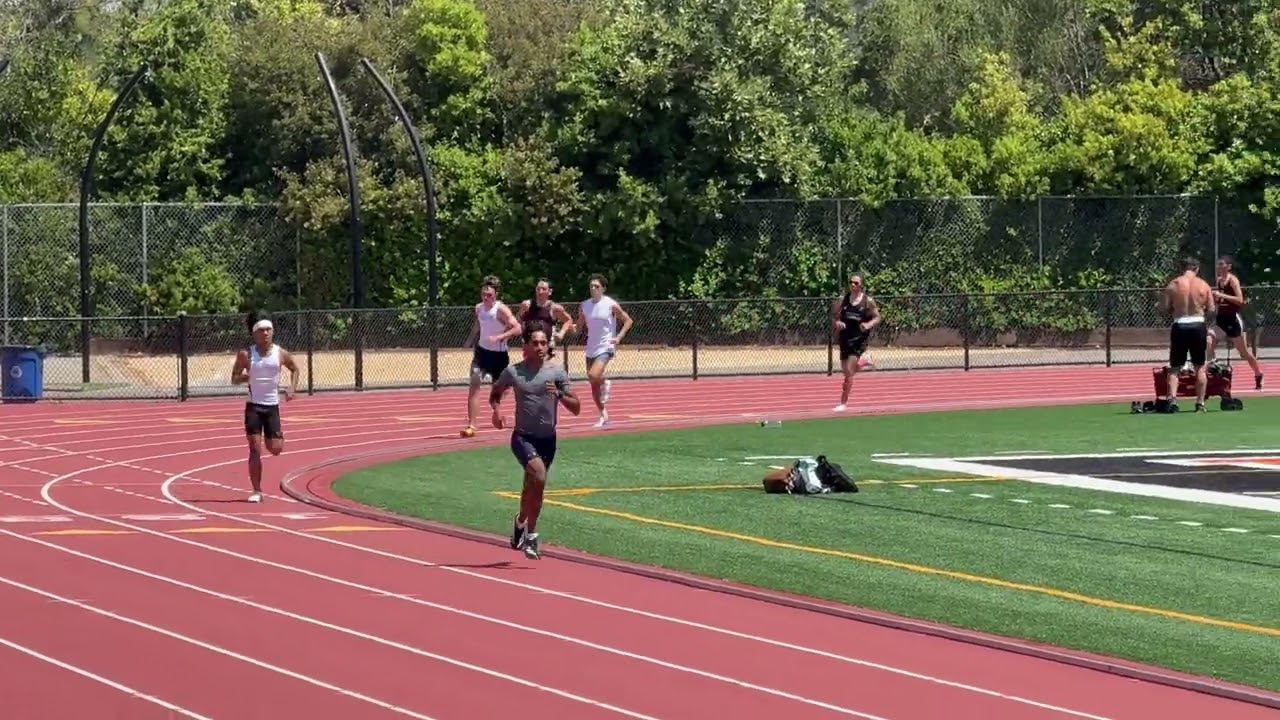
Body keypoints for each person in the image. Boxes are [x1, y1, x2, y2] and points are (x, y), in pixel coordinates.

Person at [489, 320, 581, 560]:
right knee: (538, 475)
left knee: (533, 487)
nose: (540, 347)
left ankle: (520, 522)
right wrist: (496, 413)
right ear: (526, 346)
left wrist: (559, 394)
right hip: (522, 437)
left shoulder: (556, 372)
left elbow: (577, 407)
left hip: (548, 439)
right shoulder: (514, 372)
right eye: (535, 343)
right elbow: (495, 393)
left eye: (543, 343)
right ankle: (531, 537)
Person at [230, 312, 300, 503]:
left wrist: (292, 388)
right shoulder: (246, 355)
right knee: (254, 449)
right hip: (253, 406)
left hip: (272, 406)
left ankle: (276, 437)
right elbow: (234, 378)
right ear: (254, 333)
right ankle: (256, 490)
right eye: (261, 330)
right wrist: (246, 377)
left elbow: (295, 369)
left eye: (269, 329)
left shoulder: (280, 353)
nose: (266, 333)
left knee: (275, 448)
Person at [461, 275, 522, 438]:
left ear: (496, 295)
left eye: (489, 295)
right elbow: (477, 325)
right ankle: (472, 425)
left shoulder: (501, 310)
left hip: (499, 357)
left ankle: (497, 411)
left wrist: (500, 337)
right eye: (483, 294)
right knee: (474, 383)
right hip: (482, 353)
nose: (486, 297)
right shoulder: (479, 308)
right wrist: (469, 340)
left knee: (495, 396)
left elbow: (517, 328)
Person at [576, 273, 633, 428]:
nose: (593, 288)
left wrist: (618, 337)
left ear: (603, 288)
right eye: (591, 286)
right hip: (591, 347)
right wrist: (564, 330)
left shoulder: (610, 304)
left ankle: (604, 381)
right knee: (593, 384)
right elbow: (578, 327)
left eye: (597, 286)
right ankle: (603, 415)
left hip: (606, 345)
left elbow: (628, 320)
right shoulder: (584, 305)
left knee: (593, 375)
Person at [1161, 258, 1215, 412]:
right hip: (1198, 324)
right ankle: (1200, 403)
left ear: (1182, 268)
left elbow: (1165, 308)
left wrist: (1176, 310)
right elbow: (1211, 308)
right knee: (1200, 367)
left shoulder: (1173, 284)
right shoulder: (1203, 285)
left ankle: (1172, 400)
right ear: (1196, 269)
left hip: (1180, 324)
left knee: (1175, 367)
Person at [1207, 255, 1264, 390]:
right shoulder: (1219, 280)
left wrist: (1221, 295)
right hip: (1221, 319)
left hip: (1233, 319)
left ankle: (1258, 373)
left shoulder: (1233, 280)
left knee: (1243, 353)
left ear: (1229, 266)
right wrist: (1214, 300)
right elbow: (1220, 301)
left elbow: (1239, 300)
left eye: (1222, 264)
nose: (1219, 267)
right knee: (1208, 341)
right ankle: (1216, 371)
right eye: (1218, 264)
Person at [831, 274, 879, 412]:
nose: (853, 285)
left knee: (849, 373)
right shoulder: (843, 300)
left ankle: (843, 403)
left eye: (856, 283)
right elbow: (834, 316)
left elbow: (877, 317)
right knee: (846, 371)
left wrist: (868, 325)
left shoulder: (868, 301)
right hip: (844, 338)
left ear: (861, 285)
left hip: (858, 339)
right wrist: (837, 323)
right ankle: (864, 362)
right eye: (851, 282)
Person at [518, 278, 575, 361]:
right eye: (538, 289)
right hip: (530, 345)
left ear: (550, 291)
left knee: (545, 367)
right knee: (530, 367)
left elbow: (568, 320)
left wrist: (561, 333)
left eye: (543, 289)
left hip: (546, 346)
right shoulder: (527, 305)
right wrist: (521, 313)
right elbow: (518, 321)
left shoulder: (554, 308)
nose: (540, 292)